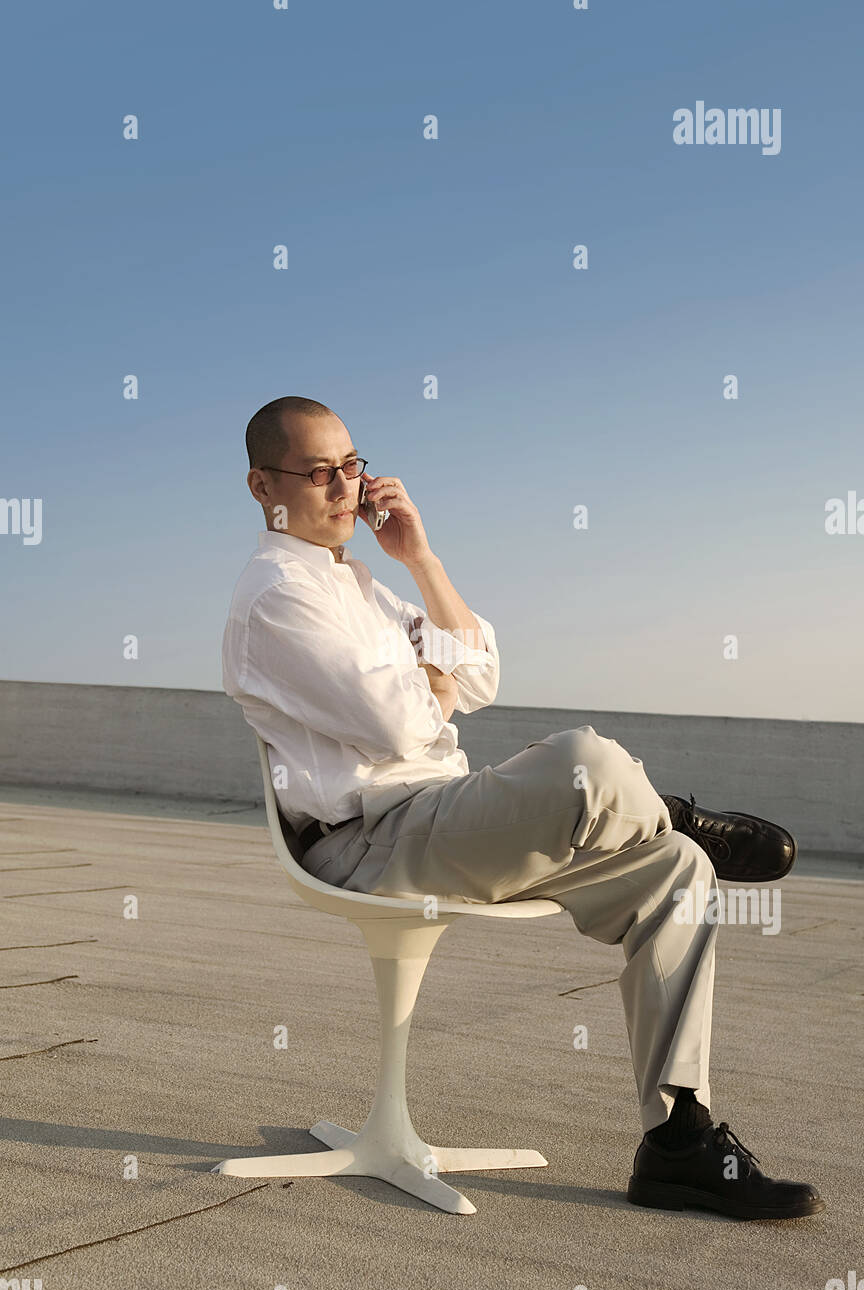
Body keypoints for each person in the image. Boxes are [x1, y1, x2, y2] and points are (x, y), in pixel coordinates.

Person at [222, 395, 825, 1222]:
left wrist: (421, 561)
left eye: (352, 465)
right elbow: (406, 719)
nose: (345, 487)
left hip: (443, 819)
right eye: (319, 473)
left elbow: (476, 678)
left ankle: (678, 1142)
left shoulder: (364, 583)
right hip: (371, 842)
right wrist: (428, 684)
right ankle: (668, 811)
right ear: (263, 485)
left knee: (679, 874)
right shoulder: (275, 595)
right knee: (584, 760)